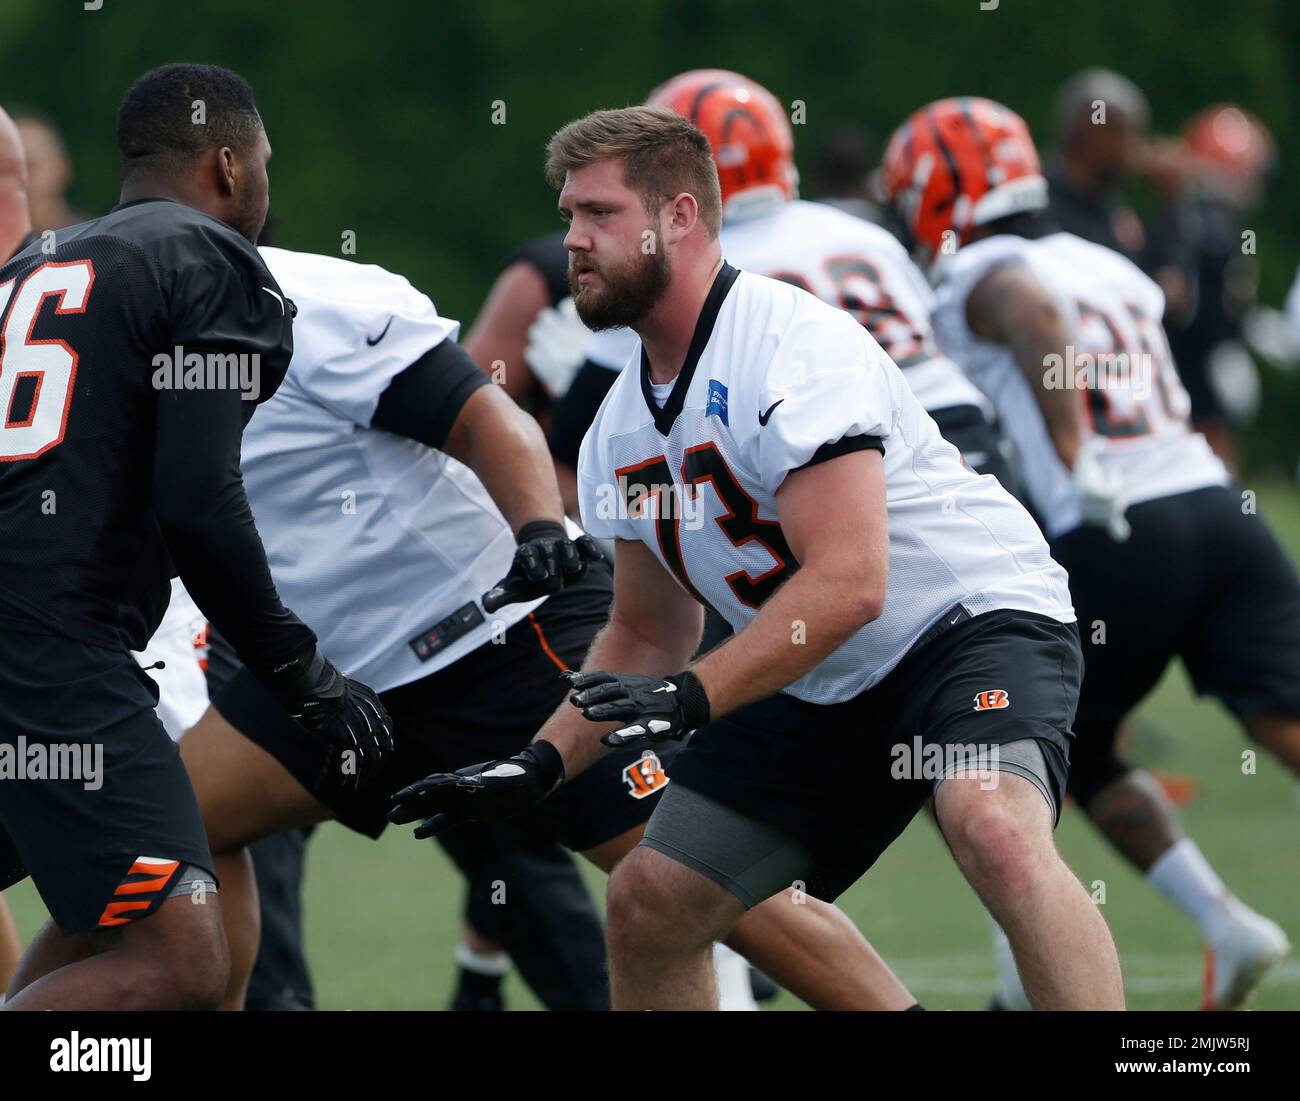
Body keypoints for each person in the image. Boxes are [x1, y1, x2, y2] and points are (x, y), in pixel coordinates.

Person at [390, 104, 1125, 1011]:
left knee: (994, 827)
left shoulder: (789, 342)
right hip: (823, 677)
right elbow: (649, 632)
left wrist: (694, 697)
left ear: (682, 217)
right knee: (650, 901)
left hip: (964, 625)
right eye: (569, 214)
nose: (573, 240)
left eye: (600, 214)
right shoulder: (617, 427)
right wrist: (538, 764)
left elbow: (852, 582)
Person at [176, 242, 916, 1012]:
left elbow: (484, 411)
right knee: (172, 828)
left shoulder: (310, 297)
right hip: (351, 676)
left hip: (499, 636)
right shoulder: (133, 343)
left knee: (707, 882)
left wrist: (537, 530)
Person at [882, 95, 1295, 1010]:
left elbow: (1031, 317)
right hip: (1216, 508)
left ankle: (1019, 986)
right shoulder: (1106, 256)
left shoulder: (988, 266)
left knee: (982, 754)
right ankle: (1224, 922)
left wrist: (1073, 457)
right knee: (1280, 721)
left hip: (1115, 529)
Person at [0, 63, 393, 1011]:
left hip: (29, 645)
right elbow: (198, 501)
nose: (265, 185)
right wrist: (303, 673)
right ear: (228, 164)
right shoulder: (203, 259)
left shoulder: (32, 265)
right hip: (51, 650)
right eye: (263, 163)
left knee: (136, 919)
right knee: (180, 959)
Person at [1045, 69, 1150, 263]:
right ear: (1094, 137)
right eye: (1129, 135)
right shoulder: (1038, 207)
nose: (1136, 150)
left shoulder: (1111, 208)